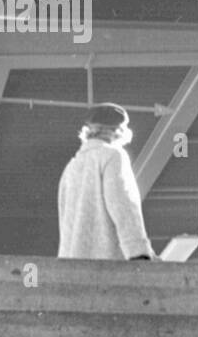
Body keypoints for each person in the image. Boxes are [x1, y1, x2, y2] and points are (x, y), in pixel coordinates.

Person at [57, 103, 155, 260]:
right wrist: (140, 253)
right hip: (106, 265)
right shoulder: (112, 156)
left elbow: (65, 222)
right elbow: (123, 206)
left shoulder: (71, 166)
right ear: (119, 132)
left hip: (71, 264)